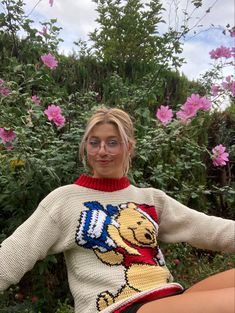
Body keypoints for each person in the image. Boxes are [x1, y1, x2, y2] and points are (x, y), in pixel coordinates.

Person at [0, 106, 234, 313]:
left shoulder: (150, 198)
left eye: (112, 142)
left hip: (163, 298)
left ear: (129, 147)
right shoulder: (65, 200)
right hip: (117, 306)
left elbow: (209, 228)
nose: (102, 150)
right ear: (86, 147)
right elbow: (13, 254)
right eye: (94, 142)